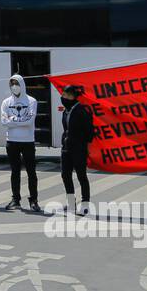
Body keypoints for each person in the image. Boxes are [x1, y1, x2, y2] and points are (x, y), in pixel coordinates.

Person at [1, 74, 41, 212]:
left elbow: (30, 121)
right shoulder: (6, 102)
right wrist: (19, 121)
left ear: (22, 84)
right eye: (11, 84)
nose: (14, 86)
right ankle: (15, 199)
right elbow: (3, 121)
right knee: (15, 172)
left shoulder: (31, 101)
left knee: (31, 172)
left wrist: (12, 120)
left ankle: (34, 200)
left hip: (27, 141)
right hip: (11, 141)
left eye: (16, 83)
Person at [59, 84, 93, 215]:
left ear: (73, 96)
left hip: (79, 148)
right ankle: (71, 202)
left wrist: (83, 145)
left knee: (81, 176)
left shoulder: (82, 110)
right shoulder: (65, 111)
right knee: (65, 175)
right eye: (63, 95)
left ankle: (85, 205)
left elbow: (89, 132)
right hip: (66, 148)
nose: (63, 97)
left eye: (66, 95)